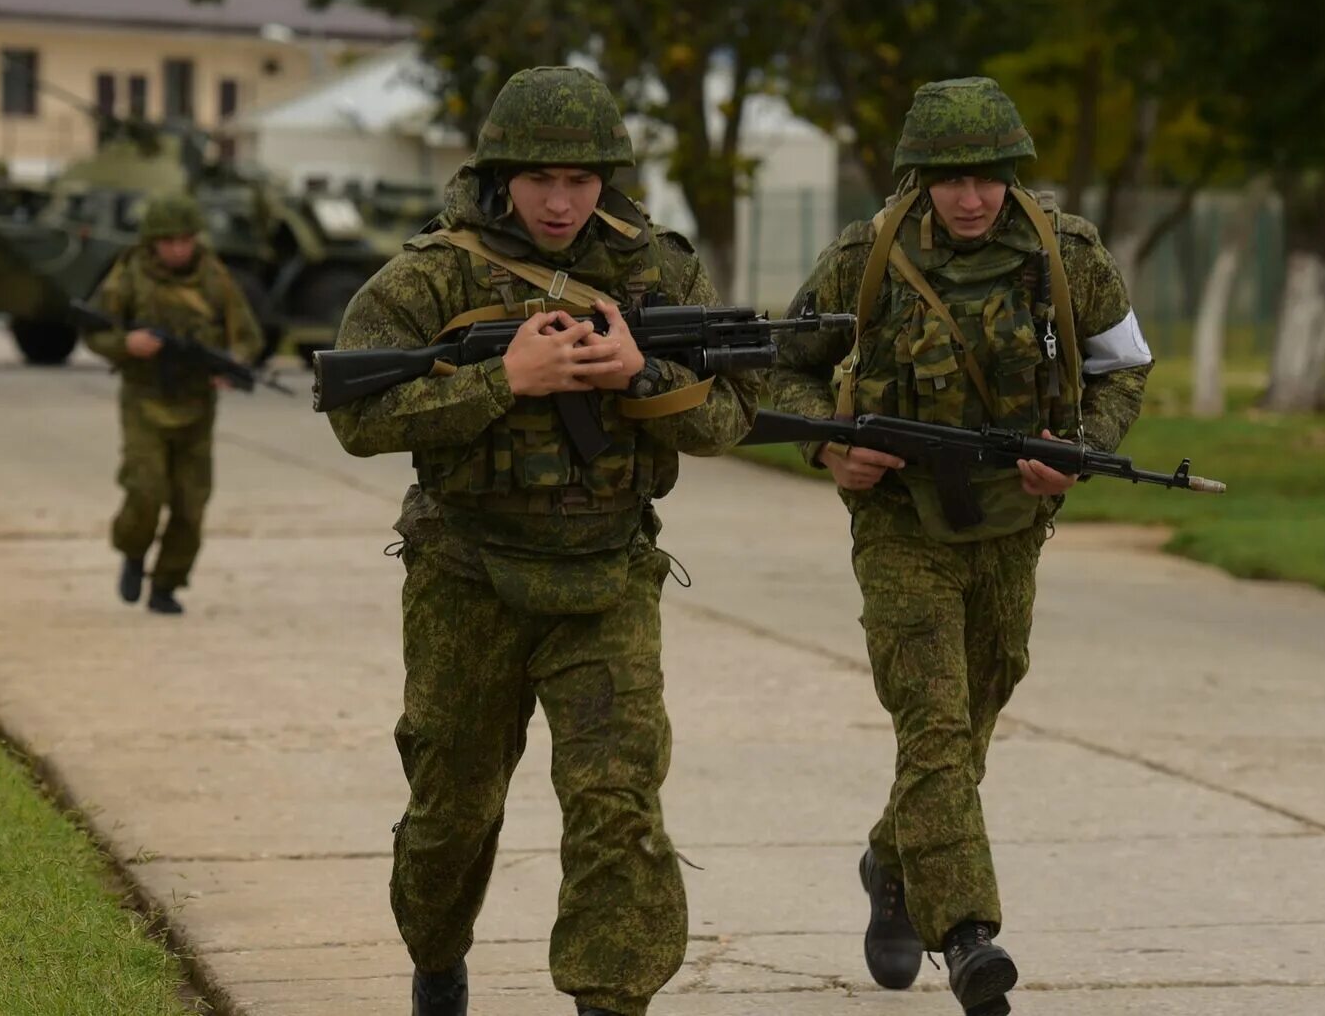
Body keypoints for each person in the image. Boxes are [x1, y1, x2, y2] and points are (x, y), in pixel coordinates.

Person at [324, 65, 760, 1016]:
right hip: (466, 577)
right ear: (499, 176)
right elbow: (355, 416)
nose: (560, 203)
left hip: (607, 577)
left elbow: (730, 419)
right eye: (538, 180)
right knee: (452, 813)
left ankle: (611, 997)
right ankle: (437, 959)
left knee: (617, 804)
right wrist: (504, 380)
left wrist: (639, 376)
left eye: (581, 180)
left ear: (608, 178)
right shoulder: (431, 274)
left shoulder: (660, 271)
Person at [769, 77, 1153, 1016]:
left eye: (986, 177)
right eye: (950, 179)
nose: (971, 197)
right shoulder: (864, 258)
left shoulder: (1068, 256)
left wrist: (1082, 451)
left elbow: (1124, 367)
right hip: (901, 525)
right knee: (934, 724)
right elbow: (781, 369)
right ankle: (969, 936)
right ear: (919, 178)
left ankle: (892, 862)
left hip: (1010, 526)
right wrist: (829, 444)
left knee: (984, 697)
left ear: (1012, 172)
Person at [80, 189, 263, 615]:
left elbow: (247, 336)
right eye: (169, 241)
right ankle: (133, 551)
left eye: (186, 240)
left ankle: (166, 583)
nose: (179, 249)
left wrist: (232, 366)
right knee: (146, 490)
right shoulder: (129, 275)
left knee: (190, 503)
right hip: (144, 400)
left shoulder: (215, 278)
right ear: (152, 242)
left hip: (197, 405)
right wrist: (126, 344)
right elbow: (94, 331)